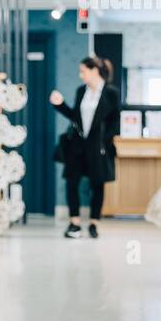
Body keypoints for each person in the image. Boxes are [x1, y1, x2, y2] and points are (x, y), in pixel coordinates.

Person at [50, 56, 119, 238]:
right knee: (71, 182)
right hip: (78, 145)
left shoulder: (111, 93)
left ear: (94, 70)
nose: (81, 75)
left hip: (99, 146)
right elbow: (75, 117)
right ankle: (74, 223)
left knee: (97, 184)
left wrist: (104, 141)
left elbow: (115, 121)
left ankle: (94, 223)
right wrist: (60, 105)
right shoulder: (81, 91)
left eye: (83, 71)